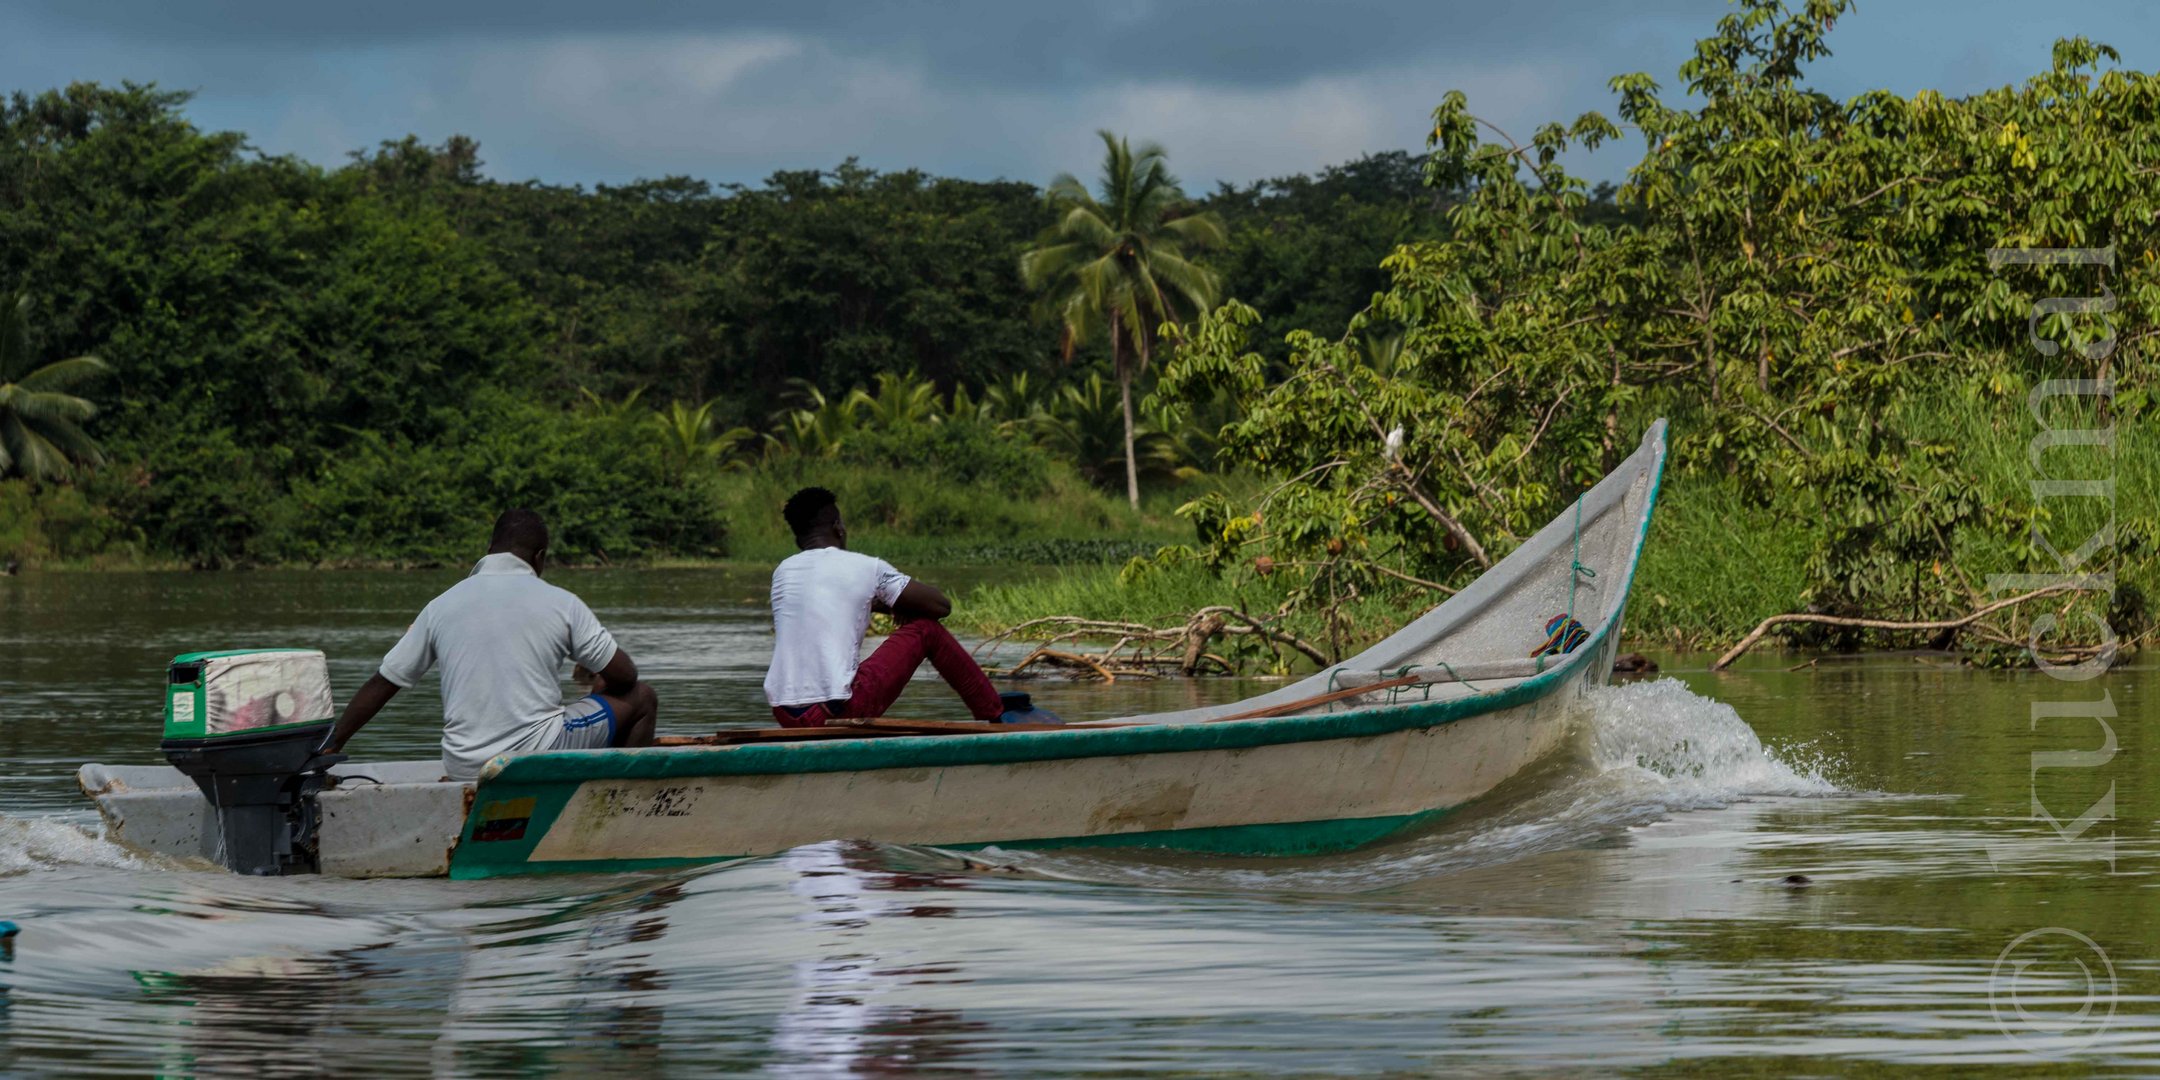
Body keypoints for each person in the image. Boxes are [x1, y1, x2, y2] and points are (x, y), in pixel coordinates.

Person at [323, 508, 659, 779]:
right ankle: (621, 802)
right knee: (642, 697)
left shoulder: (441, 605)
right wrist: (601, 684)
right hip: (535, 756)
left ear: (489, 551)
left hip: (463, 765)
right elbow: (626, 676)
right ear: (540, 558)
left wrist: (332, 742)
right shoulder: (561, 602)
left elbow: (383, 682)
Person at [765, 487, 1012, 727]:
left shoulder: (783, 572)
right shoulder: (864, 566)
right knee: (927, 630)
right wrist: (901, 605)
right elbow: (940, 606)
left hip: (785, 712)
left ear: (799, 538)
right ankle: (996, 714)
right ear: (838, 527)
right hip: (835, 711)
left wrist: (883, 604)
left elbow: (830, 602)